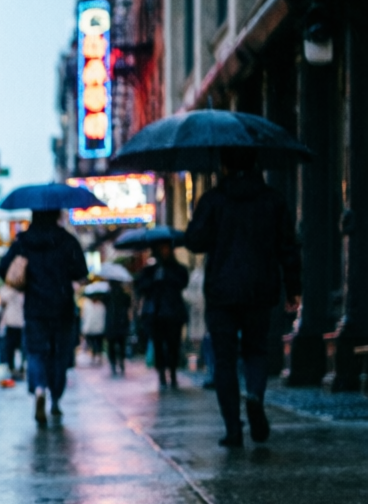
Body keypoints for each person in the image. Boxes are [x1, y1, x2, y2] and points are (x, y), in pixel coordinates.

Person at [184, 149, 302, 446]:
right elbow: (288, 246)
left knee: (224, 359)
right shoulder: (272, 200)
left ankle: (233, 428)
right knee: (256, 350)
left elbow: (194, 240)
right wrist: (293, 287)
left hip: (221, 291)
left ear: (224, 166)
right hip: (260, 288)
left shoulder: (213, 200)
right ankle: (255, 396)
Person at [0, 208, 88, 426]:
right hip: (62, 307)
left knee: (36, 352)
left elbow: (3, 269)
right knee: (59, 353)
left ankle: (39, 388)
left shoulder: (24, 241)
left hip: (35, 307)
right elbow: (81, 271)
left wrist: (27, 279)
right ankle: (55, 398)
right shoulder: (66, 240)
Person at [136, 242, 190, 388]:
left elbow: (183, 282)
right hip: (155, 313)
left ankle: (172, 372)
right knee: (158, 344)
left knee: (173, 344)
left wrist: (166, 276)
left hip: (173, 312)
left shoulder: (177, 269)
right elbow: (141, 287)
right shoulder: (150, 270)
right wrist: (154, 279)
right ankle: (161, 373)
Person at [0, 282, 25, 386]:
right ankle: (12, 370)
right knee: (10, 349)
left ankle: (20, 369)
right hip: (12, 323)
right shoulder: (7, 290)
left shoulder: (23, 288)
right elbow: (0, 300)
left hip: (20, 323)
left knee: (22, 349)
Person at [103, 279, 132, 375]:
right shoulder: (125, 296)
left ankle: (113, 365)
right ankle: (121, 363)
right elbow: (128, 305)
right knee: (122, 344)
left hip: (111, 324)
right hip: (122, 323)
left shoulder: (107, 295)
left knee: (111, 346)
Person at [80, 290, 107, 364]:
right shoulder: (88, 304)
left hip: (97, 329)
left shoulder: (101, 305)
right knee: (92, 344)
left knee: (97, 344)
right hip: (91, 328)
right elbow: (84, 316)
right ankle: (94, 357)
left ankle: (97, 357)